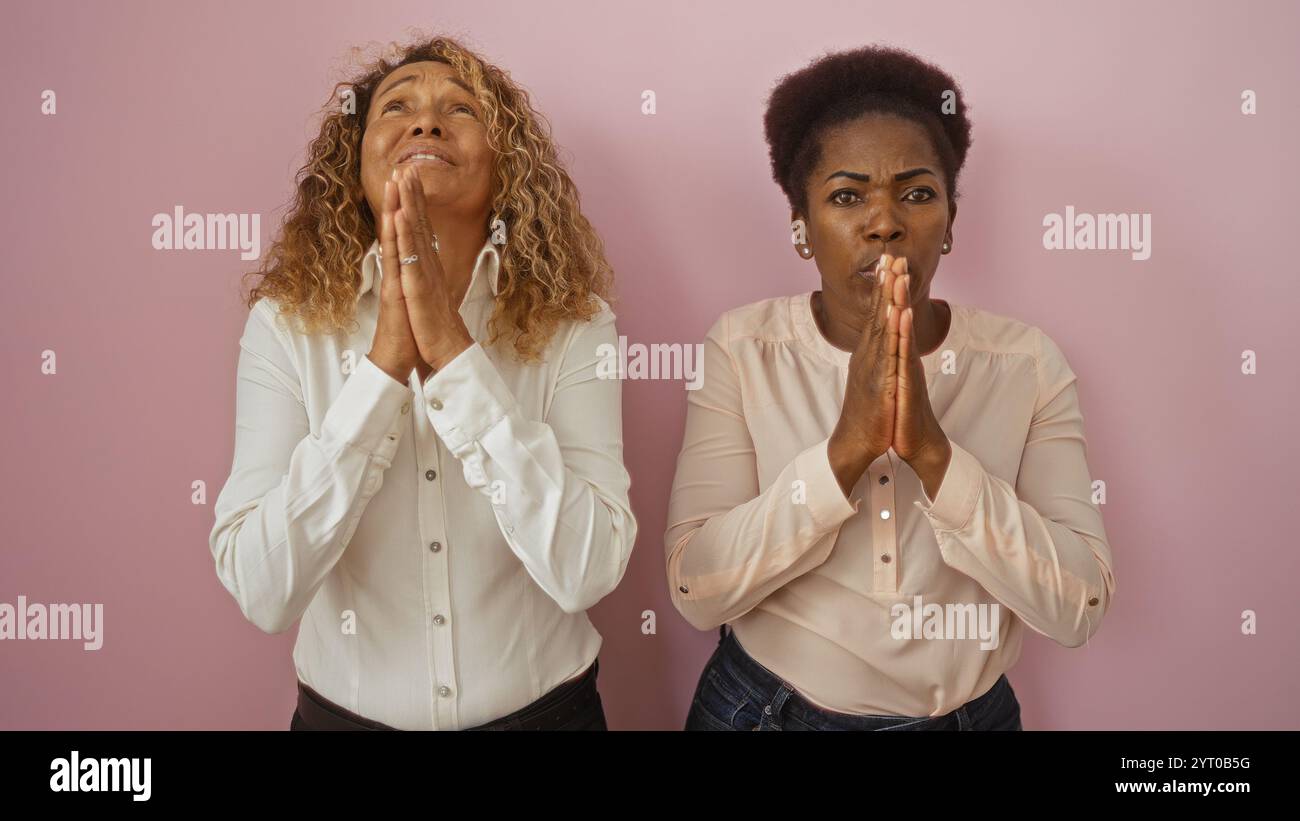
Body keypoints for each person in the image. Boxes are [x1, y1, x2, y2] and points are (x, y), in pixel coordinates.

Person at [665, 44, 1115, 731]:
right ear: (801, 229)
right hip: (766, 711)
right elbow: (696, 589)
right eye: (847, 196)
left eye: (917, 192)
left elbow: (1079, 606)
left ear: (952, 222)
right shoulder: (743, 346)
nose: (885, 221)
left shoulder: (1026, 363)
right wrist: (843, 452)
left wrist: (936, 457)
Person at [209, 35, 636, 731]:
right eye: (396, 106)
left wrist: (457, 360)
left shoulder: (576, 324)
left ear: (506, 167)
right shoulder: (285, 325)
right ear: (356, 162)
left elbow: (589, 568)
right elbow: (263, 590)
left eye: (459, 109)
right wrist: (380, 373)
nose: (426, 122)